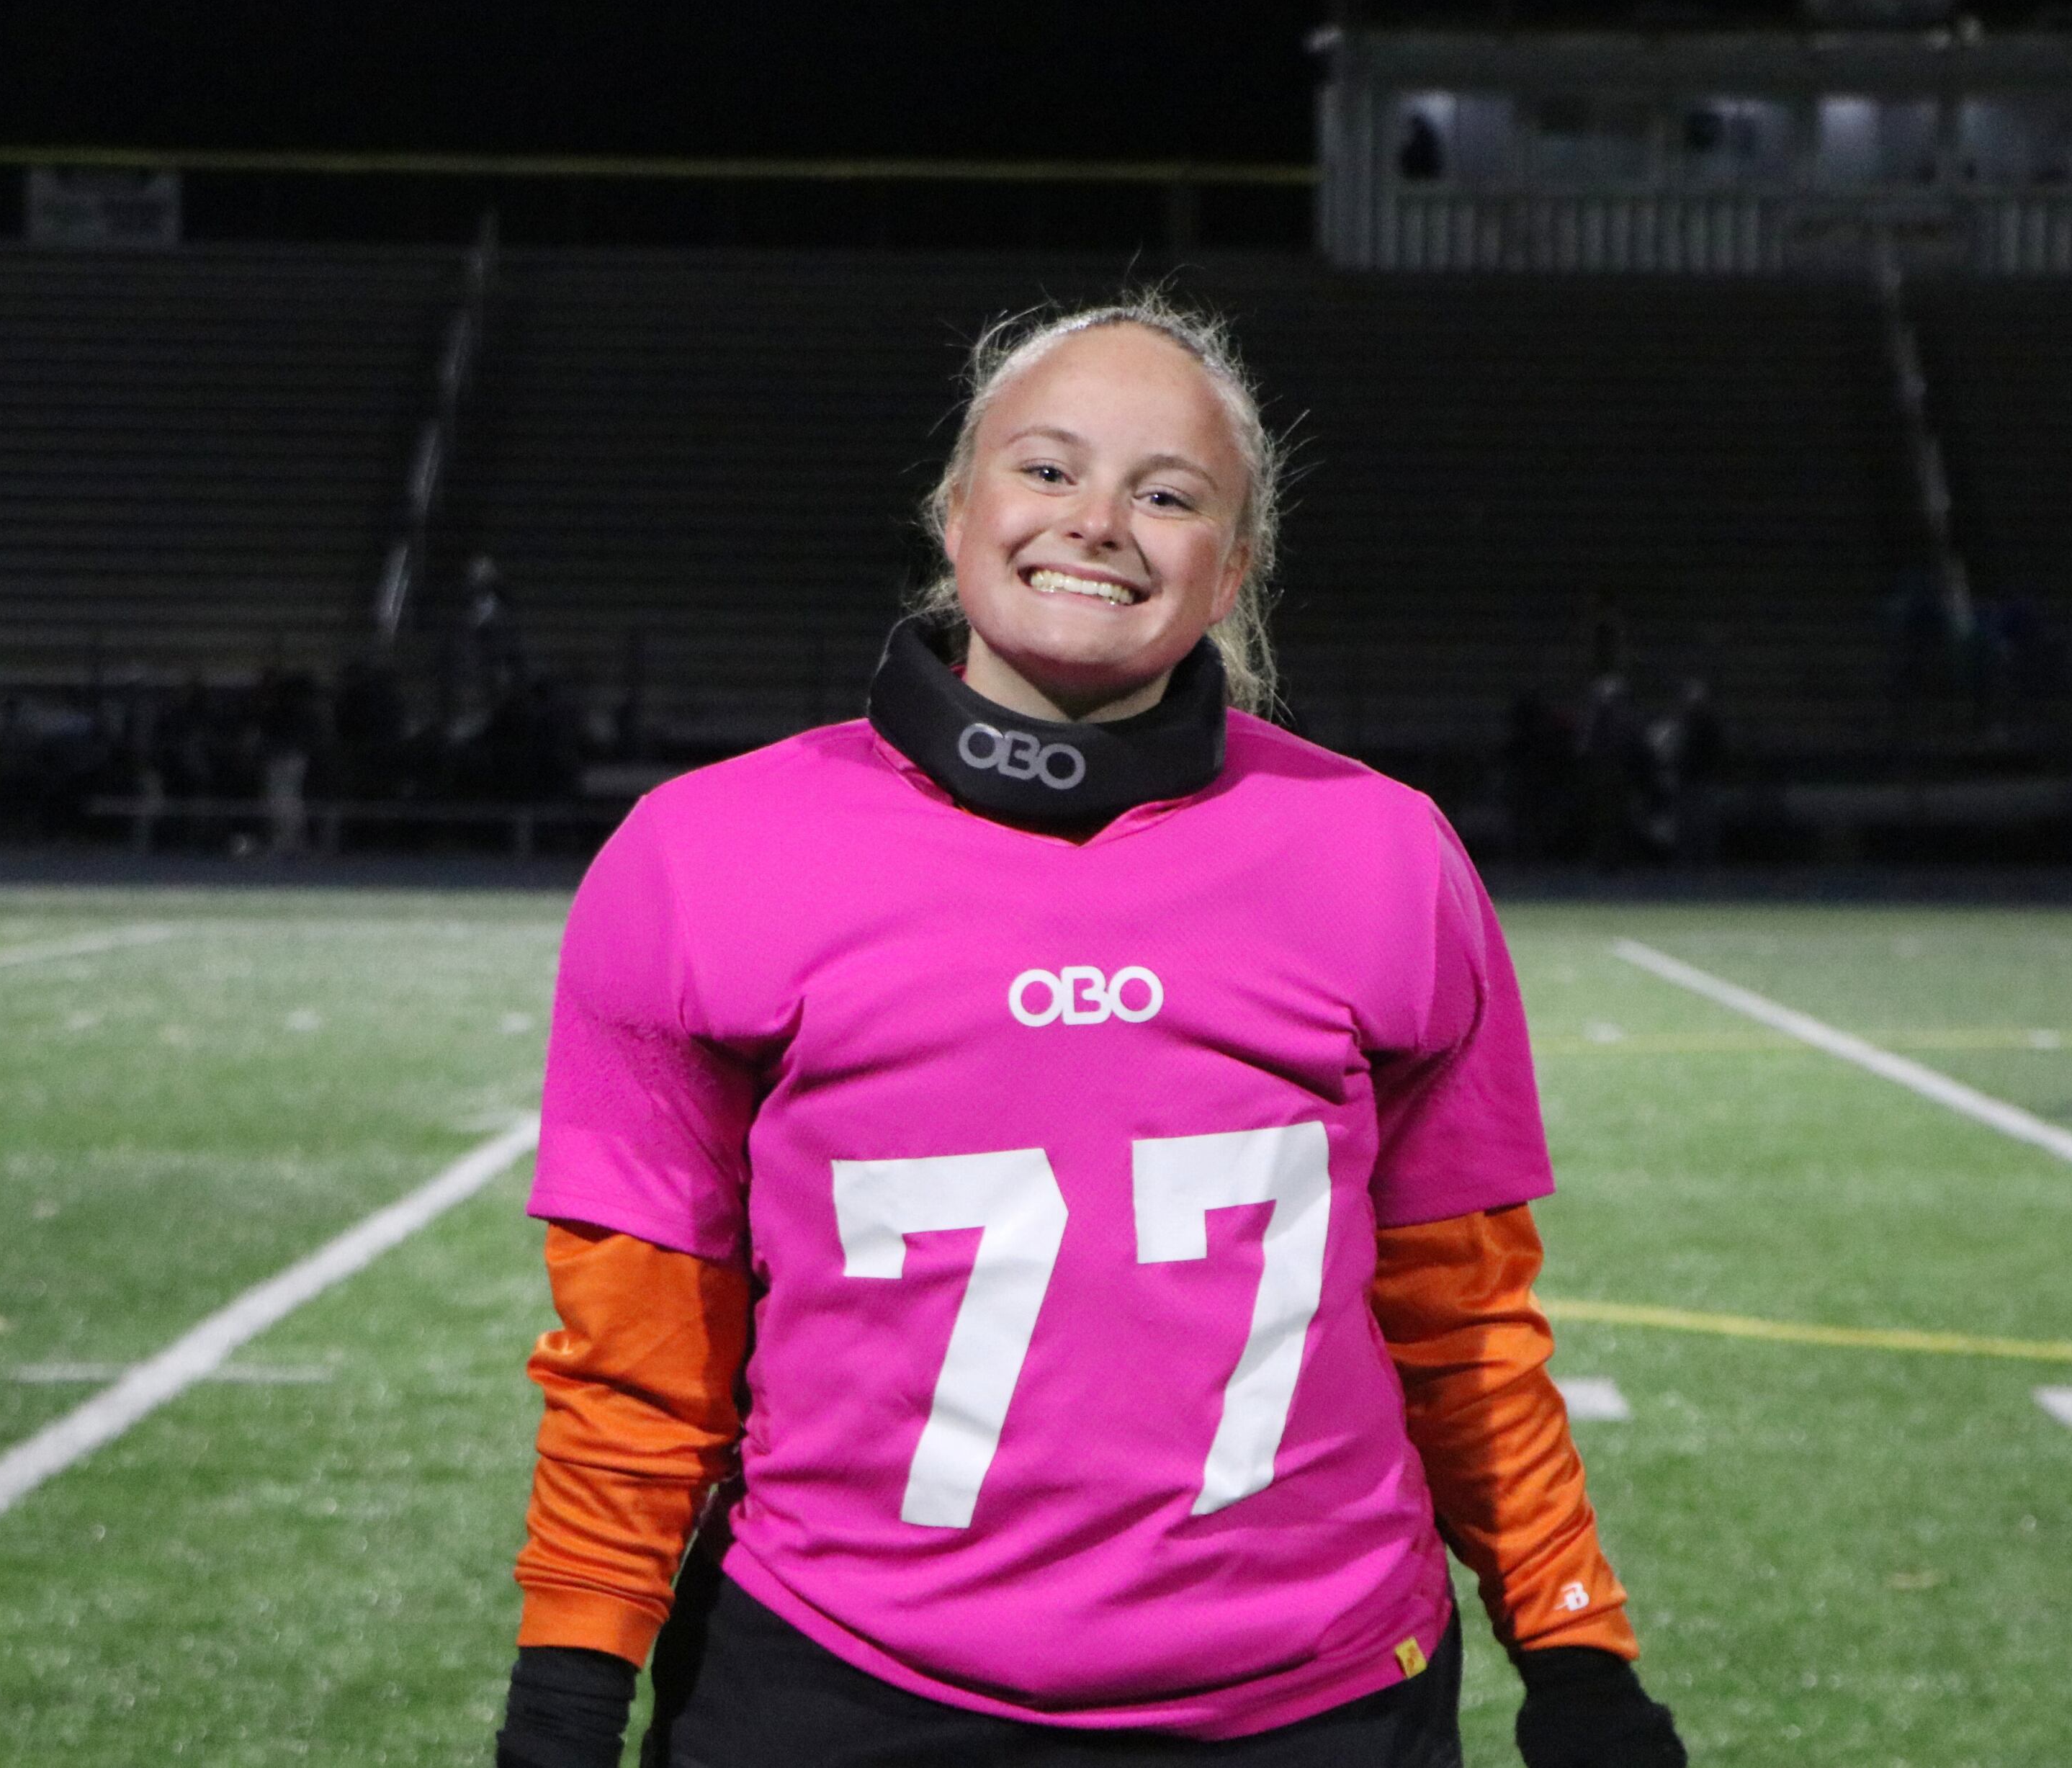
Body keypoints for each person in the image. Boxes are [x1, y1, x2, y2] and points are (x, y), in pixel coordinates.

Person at [495, 295, 1686, 1768]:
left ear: (1233, 567)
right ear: (955, 510)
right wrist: (567, 1691)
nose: (1099, 522)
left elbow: (1464, 1328)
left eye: (1167, 494)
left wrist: (1573, 1651)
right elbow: (637, 1357)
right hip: (840, 1683)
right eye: (1048, 468)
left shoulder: (1380, 851)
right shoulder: (703, 853)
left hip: (1312, 1704)